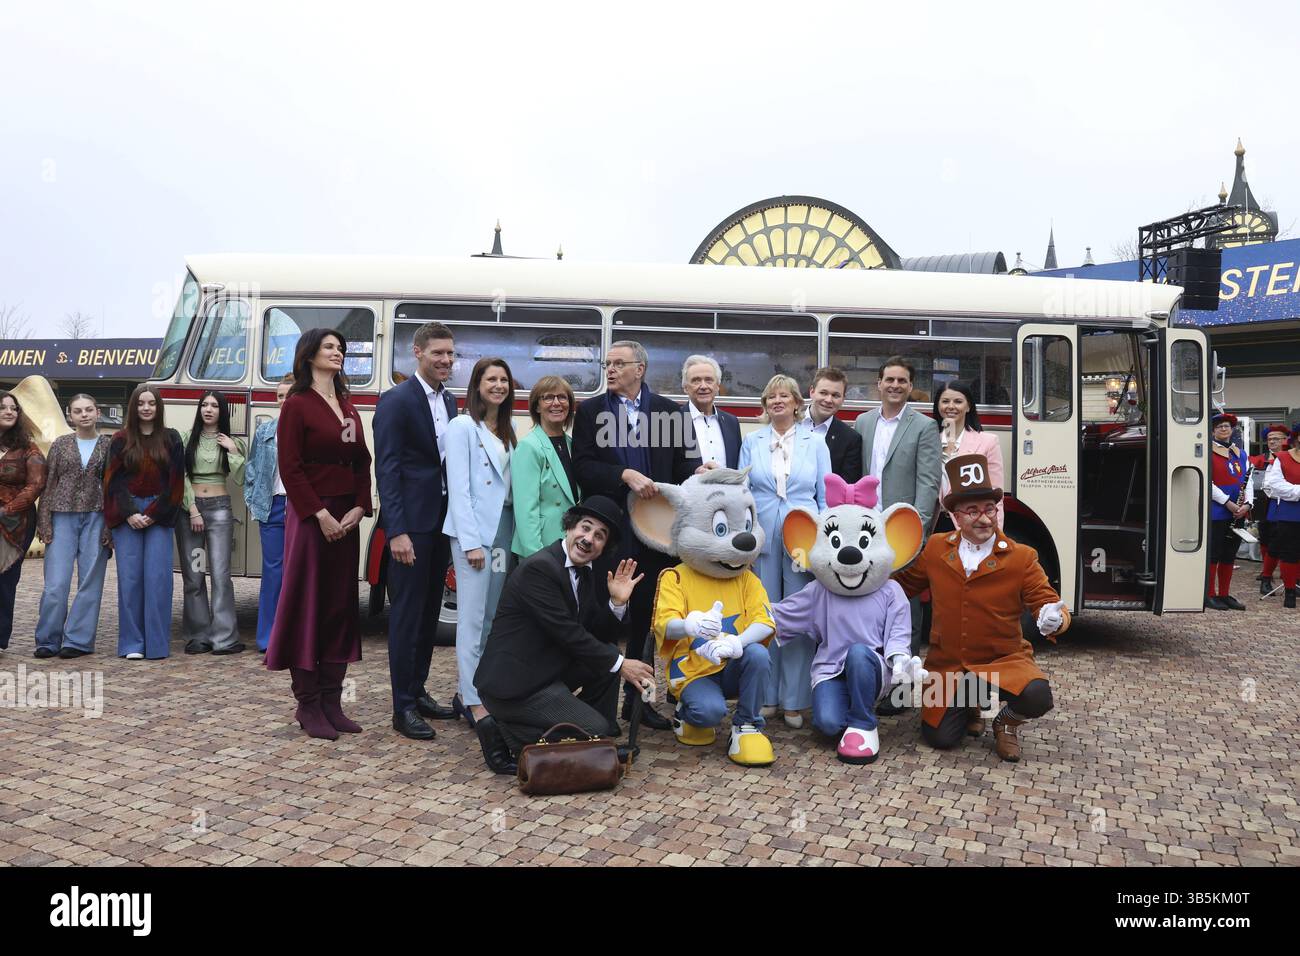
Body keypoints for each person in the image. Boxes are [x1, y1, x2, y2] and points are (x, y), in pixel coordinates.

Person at [893, 454, 1069, 762]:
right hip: (948, 664)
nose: (984, 518)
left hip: (1002, 658)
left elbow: (1046, 601)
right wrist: (860, 582)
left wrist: (1054, 618)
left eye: (989, 508)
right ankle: (969, 704)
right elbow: (903, 585)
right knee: (941, 739)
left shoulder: (1022, 556)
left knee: (1037, 695)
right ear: (956, 517)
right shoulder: (936, 548)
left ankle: (1006, 723)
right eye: (972, 510)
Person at [475, 496, 653, 774]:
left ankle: (596, 738)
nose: (588, 539)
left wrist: (617, 602)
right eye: (585, 527)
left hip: (546, 670)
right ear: (569, 527)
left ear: (604, 547)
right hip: (514, 687)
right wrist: (622, 664)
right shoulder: (540, 568)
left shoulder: (585, 573)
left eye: (599, 536)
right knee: (597, 720)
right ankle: (503, 731)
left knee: (606, 658)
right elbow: (568, 634)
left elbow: (596, 634)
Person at [571, 339, 694, 730]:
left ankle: (636, 702)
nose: (609, 369)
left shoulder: (669, 413)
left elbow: (685, 466)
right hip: (610, 530)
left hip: (656, 534)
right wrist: (622, 475)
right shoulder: (591, 411)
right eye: (607, 364)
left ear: (639, 369)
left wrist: (700, 472)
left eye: (618, 363)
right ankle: (597, 698)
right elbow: (583, 467)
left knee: (646, 617)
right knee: (604, 613)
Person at [265, 329, 372, 740]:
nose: (338, 352)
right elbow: (290, 468)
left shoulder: (348, 406)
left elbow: (361, 462)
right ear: (309, 354)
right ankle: (307, 704)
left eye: (341, 347)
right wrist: (320, 514)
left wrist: (361, 506)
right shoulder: (297, 405)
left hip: (346, 516)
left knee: (339, 607)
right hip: (312, 518)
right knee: (307, 605)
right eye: (330, 347)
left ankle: (332, 701)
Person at [373, 321, 459, 740]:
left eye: (450, 354)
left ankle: (418, 689)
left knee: (428, 615)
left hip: (441, 524)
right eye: (438, 353)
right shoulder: (395, 401)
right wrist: (396, 531)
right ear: (418, 352)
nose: (445, 360)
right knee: (406, 617)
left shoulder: (451, 402)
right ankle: (401, 707)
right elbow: (386, 469)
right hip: (411, 527)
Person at [738, 374, 830, 728]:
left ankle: (794, 700)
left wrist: (819, 537)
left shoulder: (815, 442)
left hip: (802, 536)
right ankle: (767, 696)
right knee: (764, 612)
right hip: (763, 534)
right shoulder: (753, 441)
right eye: (770, 397)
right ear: (765, 405)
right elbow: (744, 492)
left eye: (784, 396)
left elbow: (824, 496)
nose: (777, 401)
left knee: (798, 613)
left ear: (796, 402)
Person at [443, 357, 518, 729]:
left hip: (503, 530)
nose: (499, 386)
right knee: (471, 620)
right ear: (477, 385)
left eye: (504, 380)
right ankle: (473, 702)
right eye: (492, 379)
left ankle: (476, 690)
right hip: (474, 534)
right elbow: (458, 489)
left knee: (490, 618)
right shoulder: (462, 426)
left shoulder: (508, 429)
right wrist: (471, 543)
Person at [855, 356, 942, 656]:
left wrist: (916, 530)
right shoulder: (863, 422)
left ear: (910, 386)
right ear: (878, 384)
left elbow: (928, 483)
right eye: (889, 380)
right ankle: (872, 671)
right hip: (866, 528)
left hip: (901, 530)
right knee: (866, 601)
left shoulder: (924, 427)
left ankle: (901, 685)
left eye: (901, 380)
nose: (895, 385)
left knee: (906, 604)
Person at [103, 384, 185, 660]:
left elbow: (176, 483)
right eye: (141, 403)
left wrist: (153, 513)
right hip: (128, 514)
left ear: (158, 407)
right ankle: (132, 644)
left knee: (158, 579)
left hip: (159, 514)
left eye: (151, 403)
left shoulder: (171, 439)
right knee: (130, 579)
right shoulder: (120, 439)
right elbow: (112, 482)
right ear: (134, 407)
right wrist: (129, 513)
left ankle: (156, 645)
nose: (146, 408)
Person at [35, 394, 111, 658]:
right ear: (70, 415)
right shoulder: (60, 444)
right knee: (56, 584)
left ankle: (77, 641)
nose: (84, 415)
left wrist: (110, 527)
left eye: (89, 409)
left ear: (97, 412)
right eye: (78, 411)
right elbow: (48, 483)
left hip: (97, 515)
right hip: (61, 516)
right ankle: (47, 639)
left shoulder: (108, 445)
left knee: (90, 582)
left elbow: (113, 487)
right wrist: (43, 521)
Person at [175, 391, 247, 655]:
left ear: (222, 411)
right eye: (204, 405)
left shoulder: (232, 442)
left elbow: (241, 478)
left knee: (220, 575)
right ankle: (198, 636)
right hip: (190, 512)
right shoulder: (185, 439)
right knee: (194, 575)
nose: (208, 409)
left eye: (214, 405)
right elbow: (179, 475)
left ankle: (224, 638)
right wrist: (192, 508)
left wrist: (232, 450)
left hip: (219, 511)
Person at [244, 375, 294, 653]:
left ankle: (295, 637)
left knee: (298, 573)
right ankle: (268, 638)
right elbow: (252, 468)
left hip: (300, 508)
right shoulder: (265, 432)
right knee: (273, 572)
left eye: (289, 395)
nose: (284, 400)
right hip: (273, 506)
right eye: (279, 396)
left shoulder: (306, 430)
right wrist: (253, 500)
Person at [511, 374, 579, 559]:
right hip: (541, 547)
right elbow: (526, 510)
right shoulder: (529, 446)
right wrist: (536, 556)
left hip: (570, 544)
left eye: (562, 397)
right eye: (548, 397)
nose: (556, 403)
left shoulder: (572, 444)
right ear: (536, 406)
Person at [0, 391, 47, 653]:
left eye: (13, 408)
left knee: (5, 582)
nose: (9, 412)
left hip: (15, 523)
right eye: (3, 408)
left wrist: (7, 509)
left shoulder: (28, 448)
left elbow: (36, 485)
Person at [933, 381, 1003, 531]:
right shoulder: (928, 441)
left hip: (969, 526)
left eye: (958, 401)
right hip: (933, 525)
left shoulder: (988, 442)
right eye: (945, 401)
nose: (951, 406)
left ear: (968, 406)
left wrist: (996, 533)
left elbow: (996, 495)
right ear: (938, 405)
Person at [1207, 412, 1250, 611]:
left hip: (1238, 511)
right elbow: (1207, 482)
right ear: (1213, 430)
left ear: (1232, 430)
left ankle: (1224, 594)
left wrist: (1247, 505)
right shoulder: (1207, 451)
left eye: (1227, 426)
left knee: (1229, 555)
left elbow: (1246, 482)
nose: (1224, 429)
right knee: (1214, 553)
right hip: (1218, 510)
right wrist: (1227, 502)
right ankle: (1209, 594)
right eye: (1219, 427)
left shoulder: (1240, 453)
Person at [801, 366, 863, 483]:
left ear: (843, 399)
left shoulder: (851, 439)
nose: (828, 400)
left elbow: (846, 485)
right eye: (823, 393)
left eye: (835, 395)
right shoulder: (789, 424)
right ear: (812, 392)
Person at [680, 354, 741, 471]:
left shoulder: (732, 422)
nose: (703, 386)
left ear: (718, 386)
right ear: (685, 387)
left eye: (709, 380)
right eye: (696, 380)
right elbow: (665, 469)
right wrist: (694, 471)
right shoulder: (673, 421)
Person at [1262, 425, 1300, 609]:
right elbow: (1275, 485)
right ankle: (1290, 591)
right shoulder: (1283, 458)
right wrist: (1298, 491)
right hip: (1290, 511)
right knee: (1289, 552)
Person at [1252, 424, 1288, 596]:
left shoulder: (1291, 457)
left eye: (1276, 438)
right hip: (1268, 504)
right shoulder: (1261, 459)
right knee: (1268, 539)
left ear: (1286, 440)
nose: (1272, 442)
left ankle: (1291, 578)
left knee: (1288, 540)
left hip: (1289, 502)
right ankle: (1266, 576)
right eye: (1270, 439)